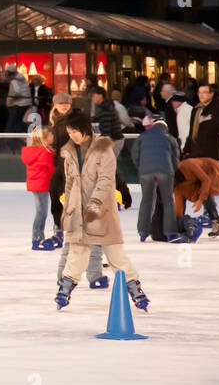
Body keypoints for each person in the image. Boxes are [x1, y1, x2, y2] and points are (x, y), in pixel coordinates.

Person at [54, 112, 150, 311]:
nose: (72, 136)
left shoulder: (104, 149)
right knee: (77, 251)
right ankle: (65, 289)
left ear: (85, 129)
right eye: (69, 132)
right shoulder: (69, 152)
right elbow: (69, 183)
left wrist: (95, 206)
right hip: (78, 212)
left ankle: (135, 288)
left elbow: (106, 180)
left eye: (74, 132)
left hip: (102, 212)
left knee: (115, 252)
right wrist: (68, 210)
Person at [180, 81, 219, 238]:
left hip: (210, 156)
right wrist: (187, 151)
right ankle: (214, 220)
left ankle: (215, 220)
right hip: (196, 155)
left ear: (211, 94)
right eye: (199, 92)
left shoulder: (218, 109)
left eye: (205, 92)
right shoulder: (196, 110)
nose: (201, 95)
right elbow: (192, 133)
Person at [131, 118, 187, 242]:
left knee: (146, 201)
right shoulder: (170, 138)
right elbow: (175, 159)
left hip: (145, 173)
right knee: (168, 202)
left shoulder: (142, 137)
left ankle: (143, 232)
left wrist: (141, 167)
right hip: (165, 172)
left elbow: (135, 155)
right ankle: (170, 233)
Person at [87, 85, 133, 208]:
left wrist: (102, 145)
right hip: (113, 139)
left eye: (93, 95)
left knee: (108, 170)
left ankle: (122, 197)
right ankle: (120, 196)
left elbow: (106, 130)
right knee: (108, 170)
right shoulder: (105, 106)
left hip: (113, 140)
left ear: (100, 95)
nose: (91, 98)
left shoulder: (105, 108)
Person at [21, 126, 56, 250]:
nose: (53, 137)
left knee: (40, 212)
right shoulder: (45, 152)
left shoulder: (32, 151)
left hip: (35, 185)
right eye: (51, 135)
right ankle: (37, 238)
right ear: (44, 139)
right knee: (42, 213)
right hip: (42, 185)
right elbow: (53, 169)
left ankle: (37, 237)